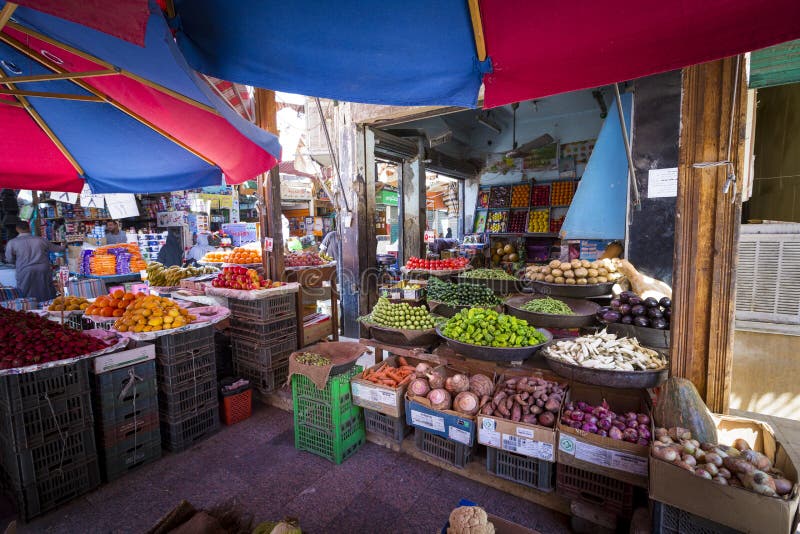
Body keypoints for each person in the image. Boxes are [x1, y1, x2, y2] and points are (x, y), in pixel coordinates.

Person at [4, 221, 63, 301]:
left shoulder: (12, 242)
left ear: (17, 229)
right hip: (43, 269)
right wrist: (66, 244)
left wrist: (17, 260)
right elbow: (57, 249)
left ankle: (30, 308)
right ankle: (48, 308)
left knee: (26, 291)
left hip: (24, 269)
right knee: (45, 290)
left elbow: (9, 259)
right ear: (29, 228)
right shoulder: (40, 240)